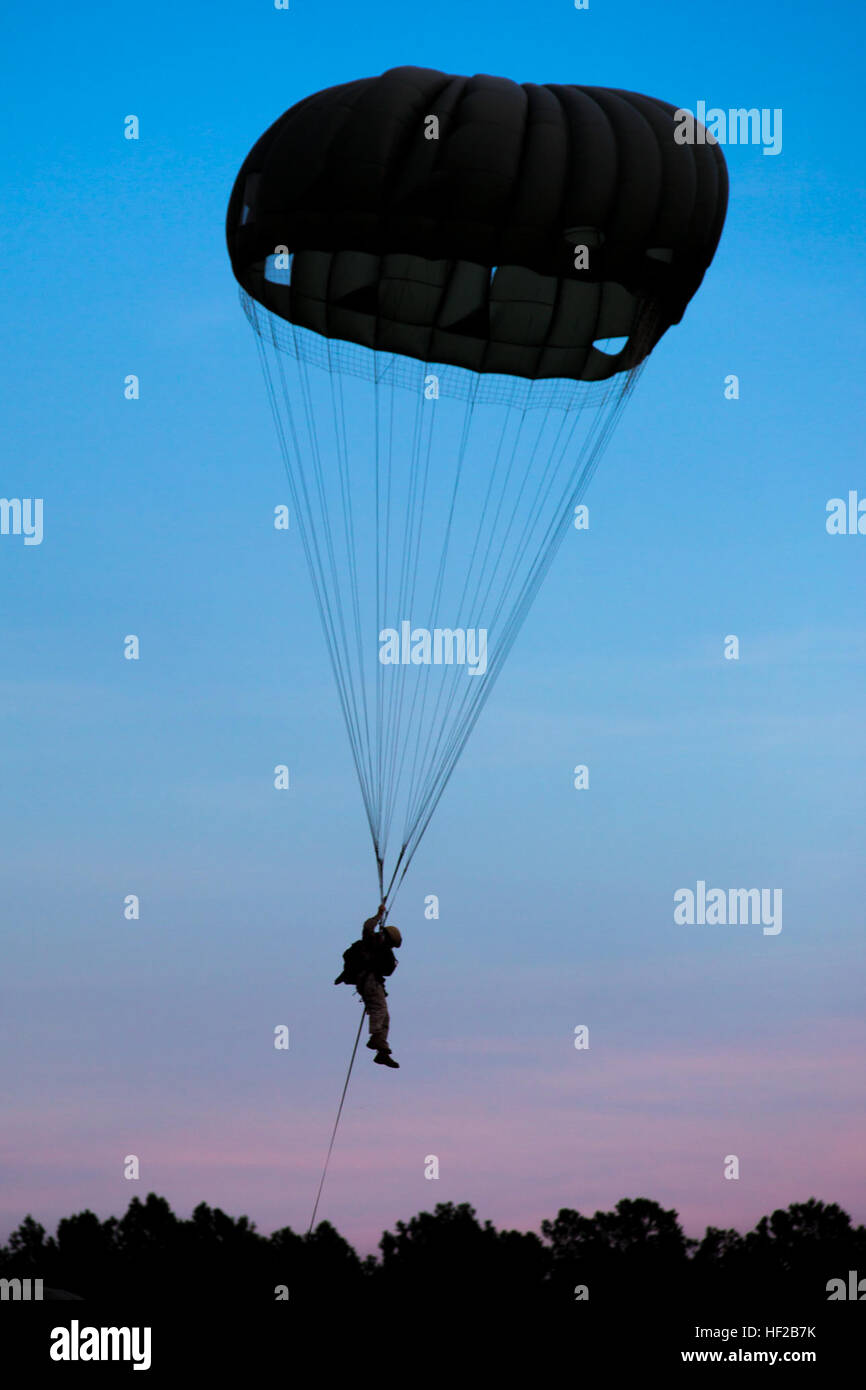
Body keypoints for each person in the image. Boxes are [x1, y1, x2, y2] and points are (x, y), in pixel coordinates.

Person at [334, 901, 402, 1068]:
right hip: (369, 982)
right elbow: (367, 927)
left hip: (368, 983)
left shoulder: (380, 947)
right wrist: (379, 915)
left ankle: (382, 1051)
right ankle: (376, 1039)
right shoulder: (374, 942)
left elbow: (387, 970)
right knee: (379, 1010)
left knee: (384, 1014)